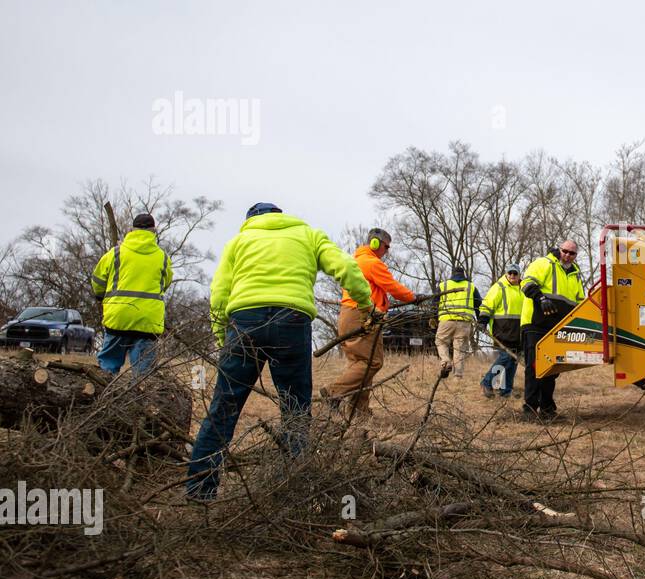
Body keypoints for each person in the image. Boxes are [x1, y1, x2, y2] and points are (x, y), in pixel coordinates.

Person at [186, 203, 372, 501]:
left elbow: (219, 295)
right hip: (292, 321)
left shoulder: (238, 241)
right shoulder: (308, 234)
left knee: (223, 409)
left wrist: (224, 339)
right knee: (296, 412)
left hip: (244, 323)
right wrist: (367, 305)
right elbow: (348, 268)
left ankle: (199, 490)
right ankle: (293, 493)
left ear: (251, 221)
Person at [322, 227, 416, 416]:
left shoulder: (356, 260)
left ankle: (359, 412)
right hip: (362, 315)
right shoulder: (372, 263)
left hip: (349, 314)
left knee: (360, 363)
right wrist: (413, 297)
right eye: (386, 247)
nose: (387, 251)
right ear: (375, 244)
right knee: (373, 362)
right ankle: (333, 392)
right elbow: (393, 287)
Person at [90, 213, 172, 375]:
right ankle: (141, 398)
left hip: (118, 317)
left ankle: (103, 396)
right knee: (143, 376)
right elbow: (165, 283)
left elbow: (97, 281)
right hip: (148, 321)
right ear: (153, 231)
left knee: (107, 368)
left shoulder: (115, 253)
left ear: (131, 231)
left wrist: (101, 296)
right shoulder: (162, 257)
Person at [520, 239, 585, 418]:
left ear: (575, 255)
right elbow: (526, 283)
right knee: (534, 366)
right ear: (559, 249)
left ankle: (548, 408)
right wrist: (540, 298)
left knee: (551, 369)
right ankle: (530, 408)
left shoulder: (575, 274)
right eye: (565, 251)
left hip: (558, 327)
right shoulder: (544, 263)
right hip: (535, 323)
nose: (567, 255)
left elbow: (580, 302)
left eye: (572, 253)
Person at [477, 264, 524, 398]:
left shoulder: (523, 289)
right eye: (510, 273)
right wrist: (482, 321)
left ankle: (506, 391)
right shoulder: (499, 287)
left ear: (519, 275)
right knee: (506, 357)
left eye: (515, 273)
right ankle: (486, 382)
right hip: (502, 330)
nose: (512, 276)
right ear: (506, 274)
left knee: (513, 362)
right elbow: (487, 304)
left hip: (518, 332)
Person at [435, 265, 480, 379]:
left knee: (441, 342)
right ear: (463, 274)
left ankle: (445, 361)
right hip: (464, 323)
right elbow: (478, 305)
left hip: (446, 321)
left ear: (452, 274)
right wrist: (480, 320)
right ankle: (457, 377)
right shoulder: (471, 287)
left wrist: (433, 318)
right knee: (460, 349)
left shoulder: (443, 285)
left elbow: (434, 303)